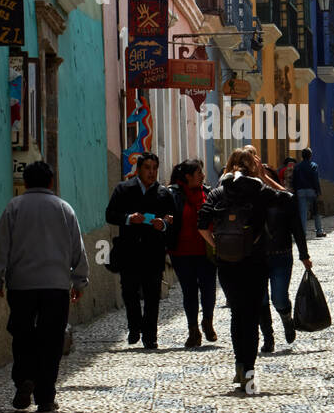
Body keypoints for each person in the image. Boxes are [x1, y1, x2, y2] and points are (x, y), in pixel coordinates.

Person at [0, 161, 88, 413]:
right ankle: (45, 396)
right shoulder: (64, 209)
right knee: (51, 340)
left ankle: (24, 379)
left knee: (22, 336)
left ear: (26, 182)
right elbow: (78, 248)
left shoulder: (14, 207)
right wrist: (79, 281)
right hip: (55, 287)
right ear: (51, 182)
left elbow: (1, 246)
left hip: (21, 286)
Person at [197, 148, 284, 390]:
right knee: (252, 314)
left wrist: (218, 246)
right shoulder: (258, 190)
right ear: (252, 165)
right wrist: (266, 178)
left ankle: (238, 365)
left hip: (227, 263)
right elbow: (288, 198)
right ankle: (249, 370)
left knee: (237, 313)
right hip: (255, 261)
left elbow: (202, 223)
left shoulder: (218, 192)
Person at [105, 153, 174, 350]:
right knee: (129, 292)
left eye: (154, 168)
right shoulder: (124, 189)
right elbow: (110, 214)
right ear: (139, 169)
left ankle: (150, 336)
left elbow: (173, 219)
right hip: (129, 251)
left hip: (153, 251)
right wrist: (128, 218)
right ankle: (134, 326)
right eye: (147, 168)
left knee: (153, 295)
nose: (151, 172)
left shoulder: (163, 193)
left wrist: (163, 225)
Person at [256, 158, 311, 351]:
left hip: (281, 255)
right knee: (261, 299)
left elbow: (297, 228)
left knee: (279, 297)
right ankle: (268, 338)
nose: (262, 183)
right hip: (257, 258)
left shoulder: (284, 201)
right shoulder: (252, 198)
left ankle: (287, 319)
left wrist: (304, 254)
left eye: (266, 179)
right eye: (259, 179)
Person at [166, 158, 217, 349]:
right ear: (187, 177)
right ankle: (193, 330)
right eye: (199, 173)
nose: (203, 176)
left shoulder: (208, 193)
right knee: (189, 292)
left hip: (206, 251)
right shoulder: (173, 194)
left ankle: (208, 321)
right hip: (181, 252)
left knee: (209, 290)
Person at [293, 147, 325, 238]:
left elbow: (294, 181)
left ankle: (303, 233)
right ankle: (319, 231)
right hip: (311, 191)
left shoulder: (297, 167)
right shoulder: (313, 165)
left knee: (303, 213)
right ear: (310, 156)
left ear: (302, 156)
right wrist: (318, 191)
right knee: (316, 212)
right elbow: (315, 179)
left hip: (300, 191)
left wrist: (295, 192)